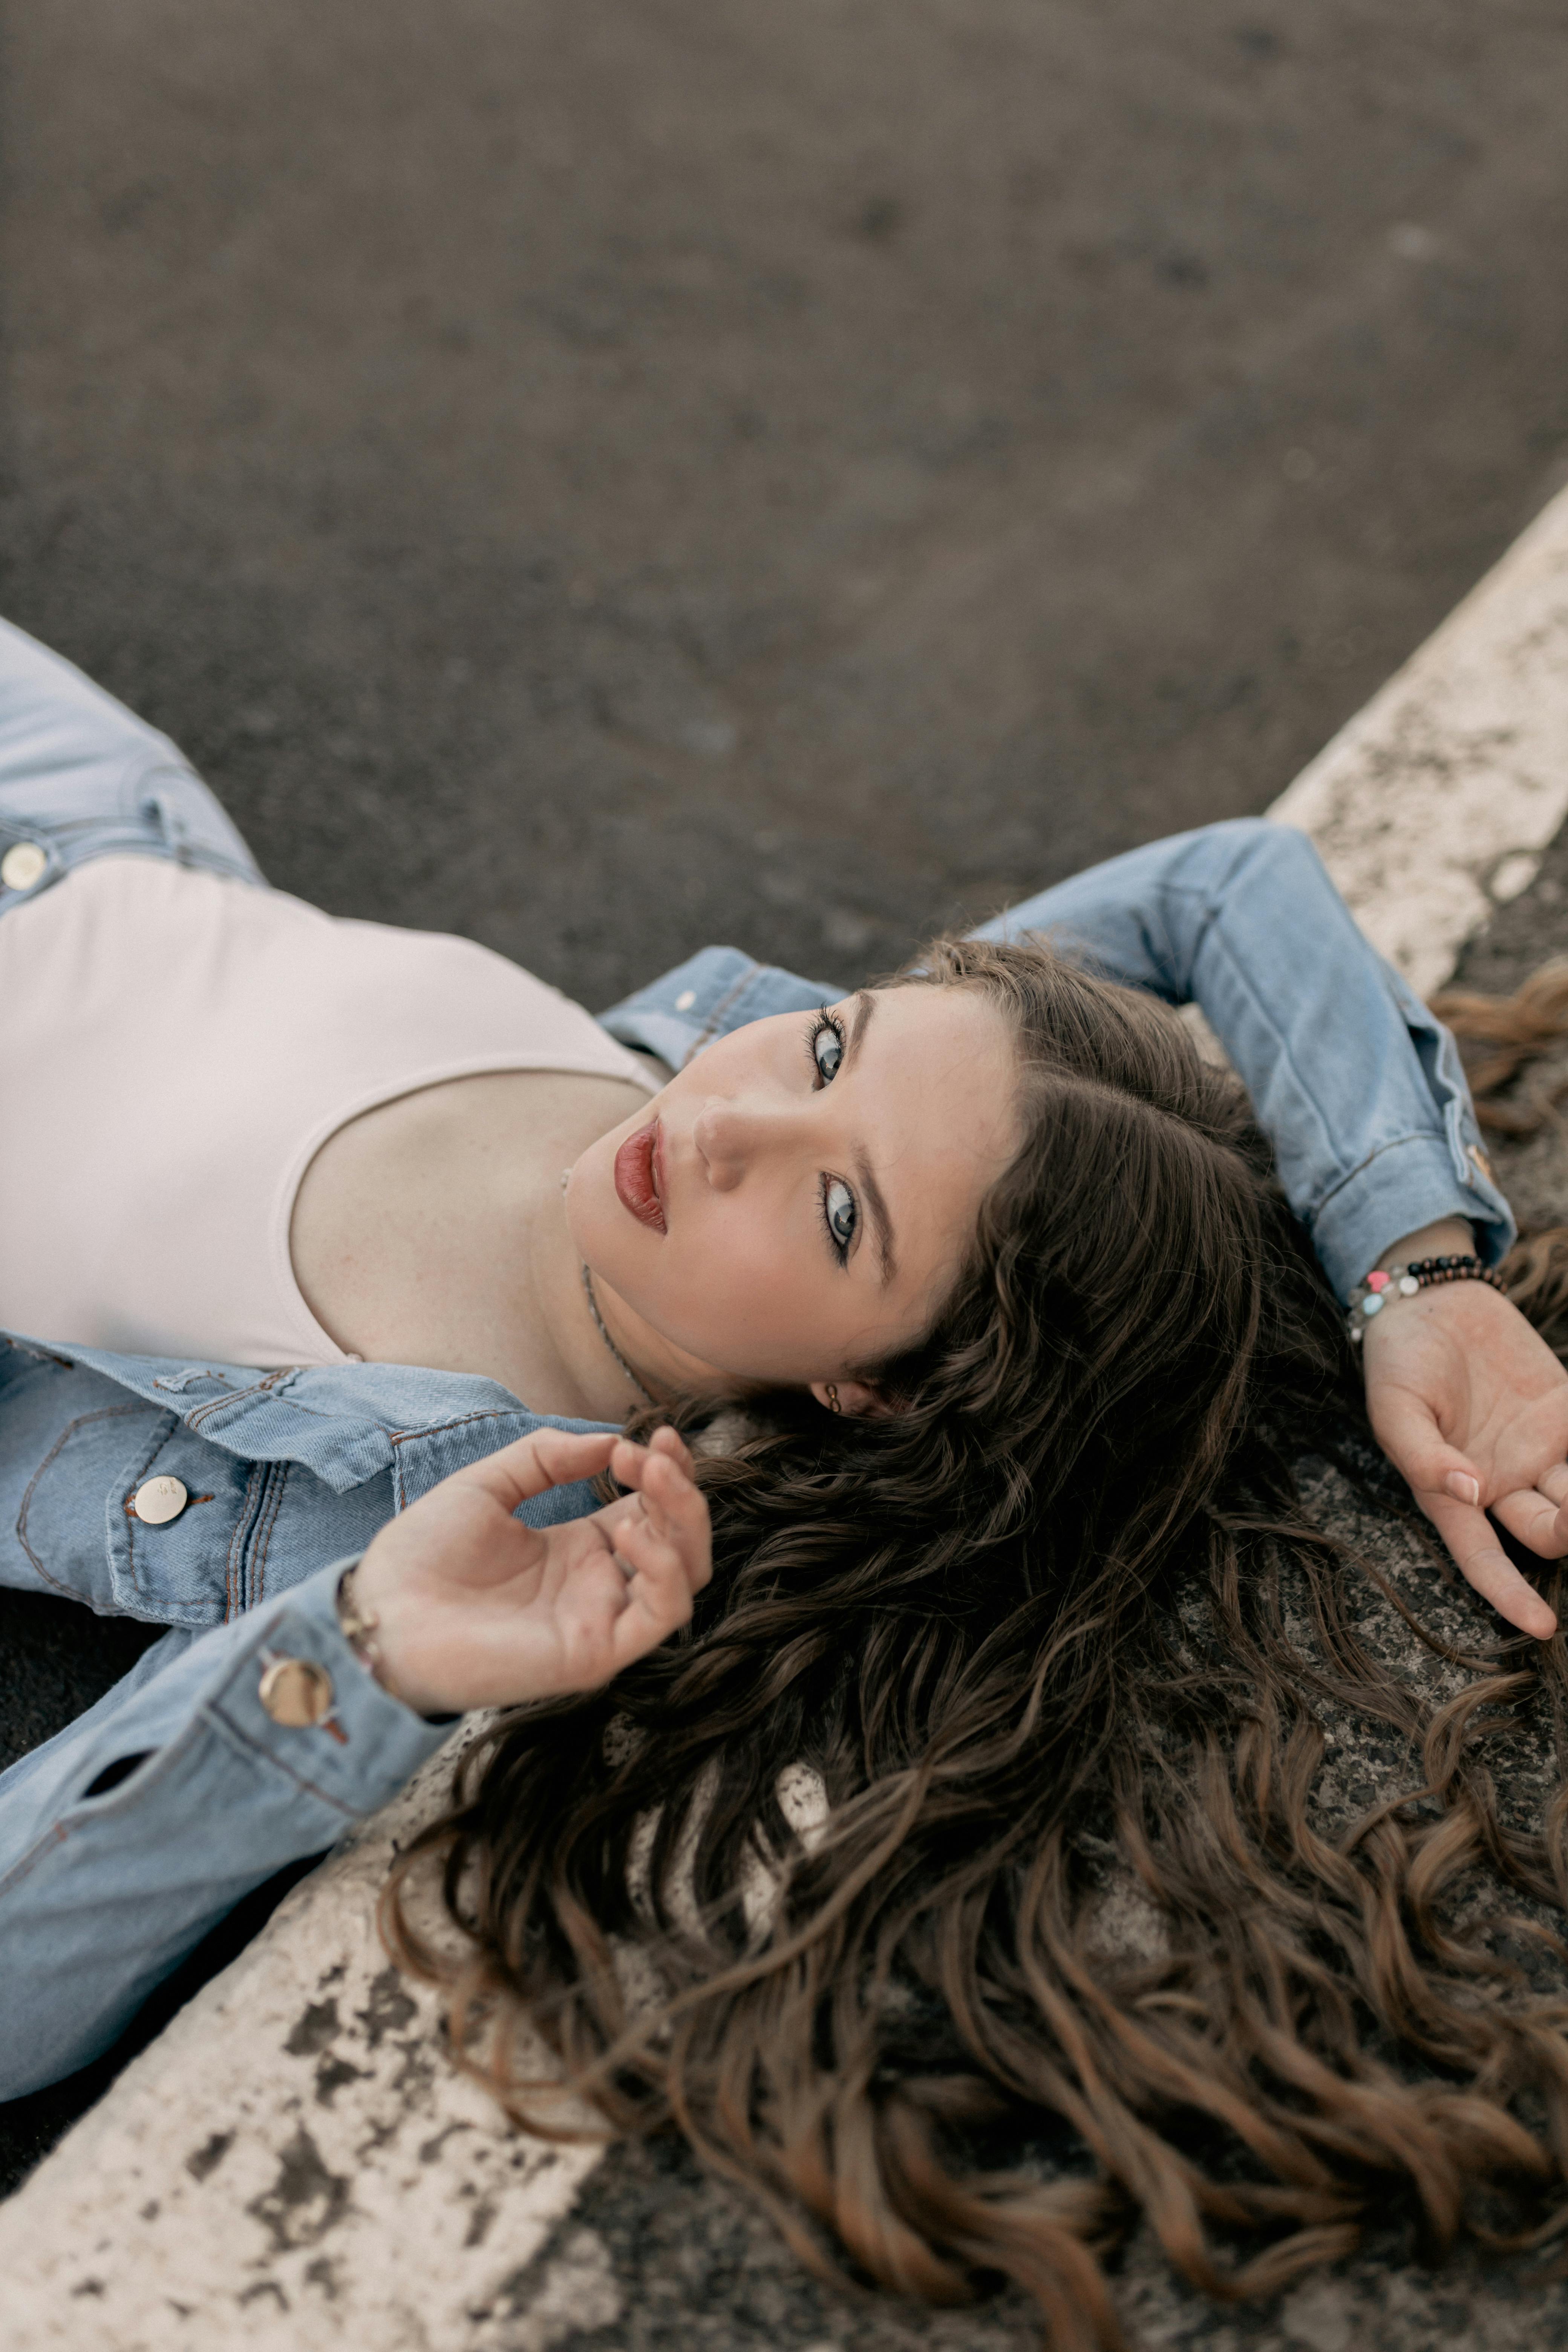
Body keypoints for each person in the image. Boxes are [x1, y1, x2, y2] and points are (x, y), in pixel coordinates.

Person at [4, 616, 1568, 2327]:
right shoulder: (783, 1090)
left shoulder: (422, 1502)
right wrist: (1417, 1273)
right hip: (64, 808)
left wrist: (368, 1649)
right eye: (829, 1046)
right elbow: (1227, 886)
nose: (726, 1122)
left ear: (870, 1391)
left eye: (836, 1213)